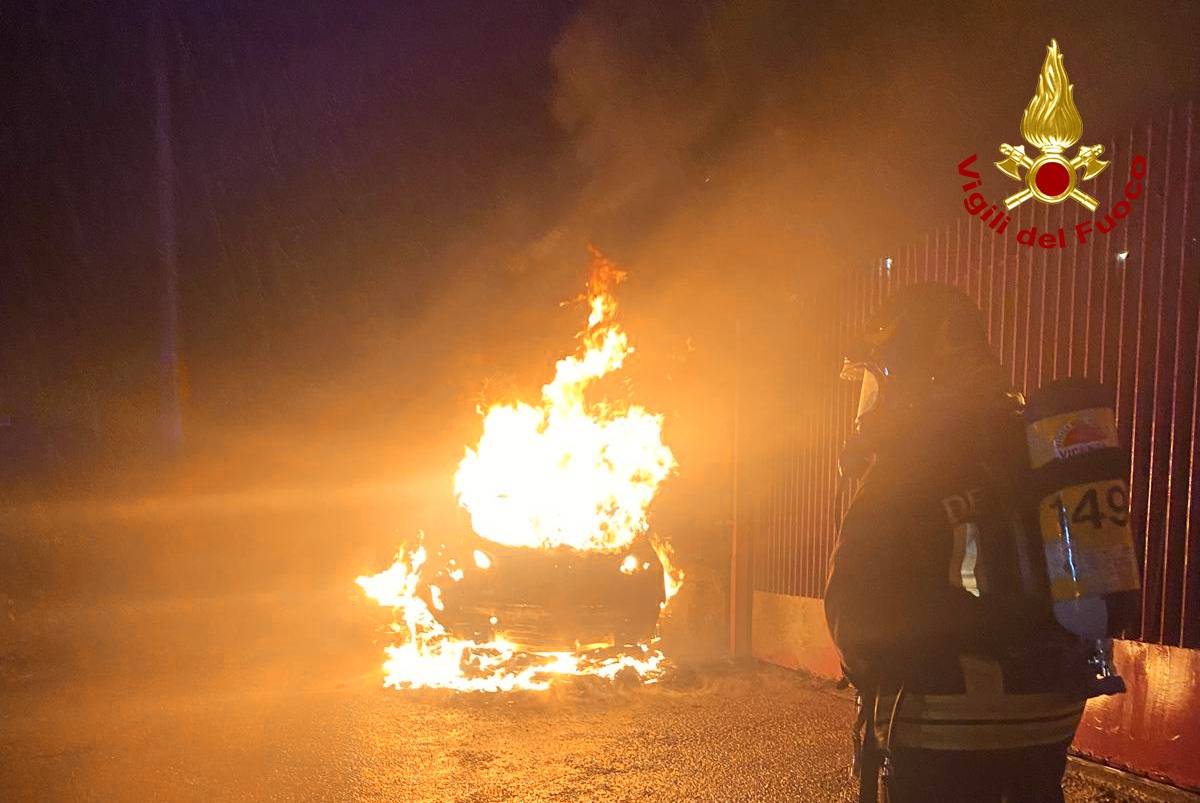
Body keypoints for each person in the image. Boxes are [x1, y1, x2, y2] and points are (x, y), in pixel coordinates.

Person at [824, 282, 1100, 803]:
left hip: (942, 719)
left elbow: (852, 612)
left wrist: (873, 676)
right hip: (1049, 714)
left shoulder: (907, 462)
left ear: (910, 372)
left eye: (877, 381)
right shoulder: (1036, 446)